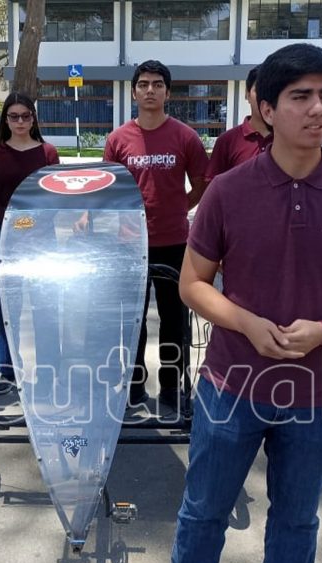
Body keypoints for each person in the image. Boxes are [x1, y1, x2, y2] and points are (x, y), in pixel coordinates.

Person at [152, 44, 322, 563]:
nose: (317, 109)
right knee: (203, 510)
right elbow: (192, 284)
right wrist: (244, 322)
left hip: (317, 393)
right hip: (231, 385)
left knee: (296, 518)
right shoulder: (227, 192)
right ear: (264, 108)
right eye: (300, 96)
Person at [103, 59, 209, 411]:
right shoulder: (118, 140)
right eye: (144, 84)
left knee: (174, 321)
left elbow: (203, 185)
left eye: (158, 84)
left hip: (175, 244)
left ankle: (170, 386)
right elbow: (108, 191)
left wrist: (180, 206)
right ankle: (134, 387)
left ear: (168, 92)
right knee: (131, 321)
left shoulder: (185, 136)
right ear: (134, 91)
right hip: (128, 245)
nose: (150, 90)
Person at [0, 92, 60, 397]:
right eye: (13, 116)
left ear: (33, 118)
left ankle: (47, 370)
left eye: (25, 116)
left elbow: (56, 196)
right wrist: (17, 225)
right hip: (5, 236)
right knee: (8, 306)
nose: (20, 122)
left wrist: (35, 225)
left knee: (44, 306)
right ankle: (8, 370)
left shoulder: (48, 153)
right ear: (6, 120)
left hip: (45, 239)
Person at [205, 66, 272, 181]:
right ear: (247, 94)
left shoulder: (289, 141)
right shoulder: (227, 141)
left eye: (271, 90)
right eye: (259, 90)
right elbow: (212, 189)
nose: (265, 97)